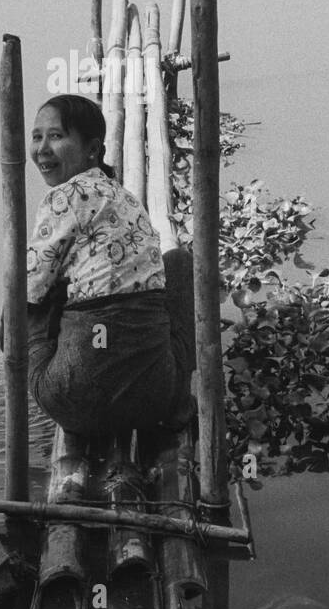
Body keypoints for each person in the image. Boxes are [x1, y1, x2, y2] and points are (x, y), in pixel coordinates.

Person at [15, 92, 195, 439]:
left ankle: (42, 378)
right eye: (36, 137)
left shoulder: (63, 196)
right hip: (155, 398)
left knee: (24, 296)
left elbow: (26, 291)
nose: (41, 149)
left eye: (56, 136)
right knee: (180, 263)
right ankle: (179, 401)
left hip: (77, 400)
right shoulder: (125, 197)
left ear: (92, 148)